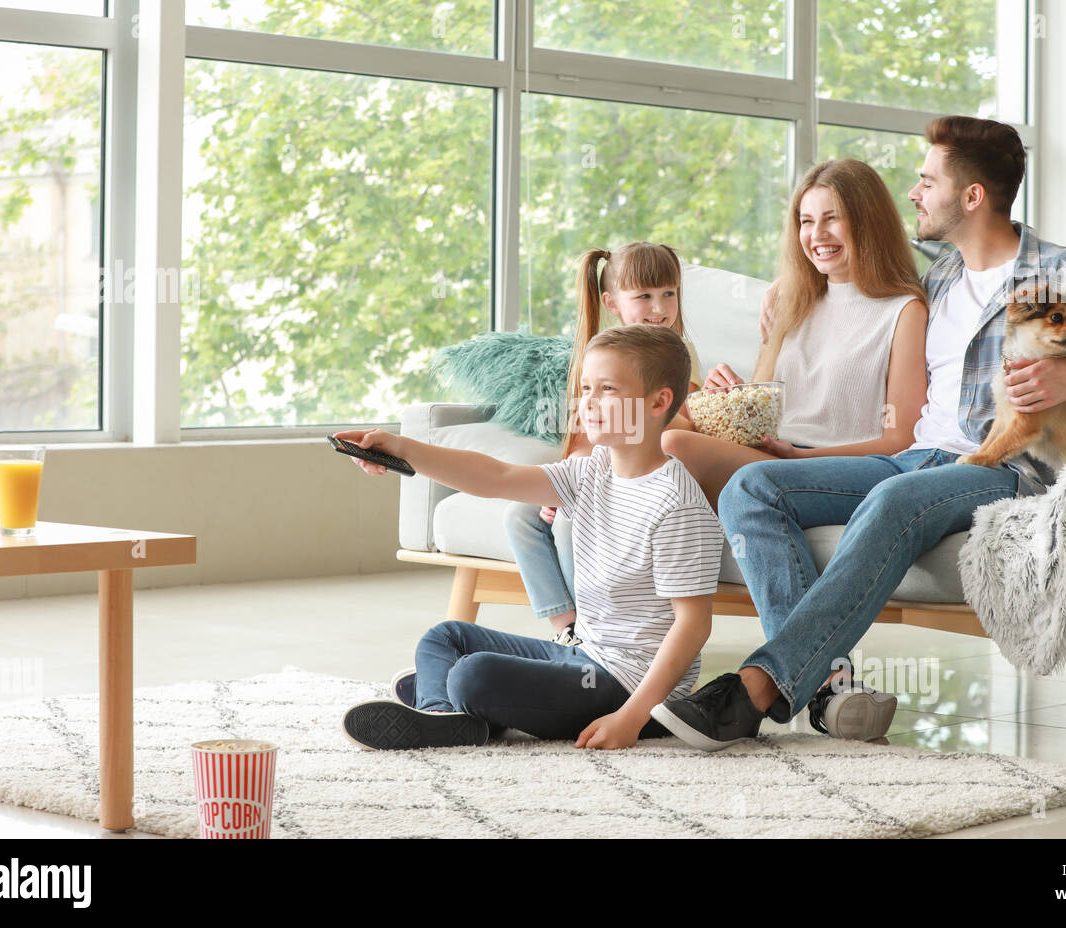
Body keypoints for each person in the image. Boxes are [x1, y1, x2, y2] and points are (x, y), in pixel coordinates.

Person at [651, 115, 1066, 751]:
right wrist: (785, 286)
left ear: (972, 197)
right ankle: (829, 686)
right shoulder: (940, 276)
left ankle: (756, 688)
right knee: (753, 488)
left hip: (999, 466)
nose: (914, 193)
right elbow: (859, 271)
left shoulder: (1058, 274)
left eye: (927, 180)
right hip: (913, 456)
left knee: (891, 503)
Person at [336, 323, 725, 750]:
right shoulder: (591, 471)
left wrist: (631, 718)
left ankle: (450, 694)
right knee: (446, 637)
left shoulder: (676, 502)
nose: (588, 403)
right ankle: (444, 714)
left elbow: (693, 625)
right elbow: (494, 477)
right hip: (584, 655)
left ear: (658, 402)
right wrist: (402, 446)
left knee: (471, 673)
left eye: (607, 389)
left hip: (627, 686)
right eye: (586, 387)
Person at [662, 159, 929, 512]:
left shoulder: (904, 311)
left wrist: (803, 455)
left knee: (673, 445)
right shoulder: (791, 304)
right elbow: (762, 413)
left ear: (869, 223)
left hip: (829, 467)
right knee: (640, 440)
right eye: (806, 221)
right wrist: (729, 396)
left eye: (832, 218)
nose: (817, 235)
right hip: (772, 453)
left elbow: (902, 437)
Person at [502, 242, 703, 645]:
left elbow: (684, 423)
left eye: (669, 293)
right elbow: (582, 439)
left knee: (568, 523)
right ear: (612, 302)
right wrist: (563, 486)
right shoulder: (601, 354)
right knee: (519, 517)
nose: (659, 307)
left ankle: (600, 633)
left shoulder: (679, 353)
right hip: (597, 472)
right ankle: (568, 628)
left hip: (640, 477)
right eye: (644, 296)